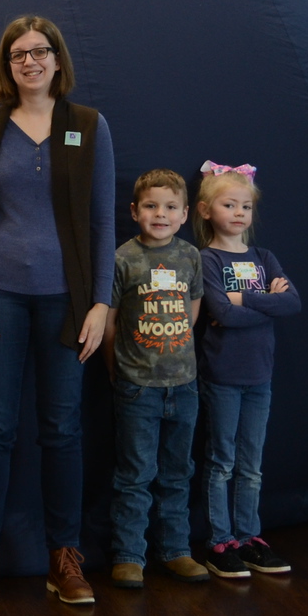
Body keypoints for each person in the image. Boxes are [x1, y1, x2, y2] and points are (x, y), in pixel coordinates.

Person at [0, 14, 114, 605]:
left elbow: (102, 219)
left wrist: (102, 301)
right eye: (18, 54)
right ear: (7, 65)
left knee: (63, 429)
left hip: (68, 303)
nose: (30, 62)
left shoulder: (88, 126)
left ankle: (65, 560)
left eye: (40, 52)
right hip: (0, 298)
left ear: (57, 59)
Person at [194, 162, 302, 579]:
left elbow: (293, 304)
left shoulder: (263, 256)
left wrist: (243, 301)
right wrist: (261, 301)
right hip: (222, 375)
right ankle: (220, 542)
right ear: (206, 210)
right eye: (229, 204)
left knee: (251, 464)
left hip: (261, 376)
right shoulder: (206, 258)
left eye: (246, 206)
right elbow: (220, 312)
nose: (239, 213)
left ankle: (248, 536)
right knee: (222, 461)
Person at [105, 169, 209, 589]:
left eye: (169, 207)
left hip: (184, 385)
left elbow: (194, 309)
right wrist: (117, 370)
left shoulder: (190, 257)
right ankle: (129, 555)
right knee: (135, 474)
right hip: (137, 387)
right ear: (134, 211)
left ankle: (176, 550)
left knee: (177, 472)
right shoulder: (122, 259)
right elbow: (109, 323)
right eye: (150, 206)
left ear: (185, 214)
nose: (160, 214)